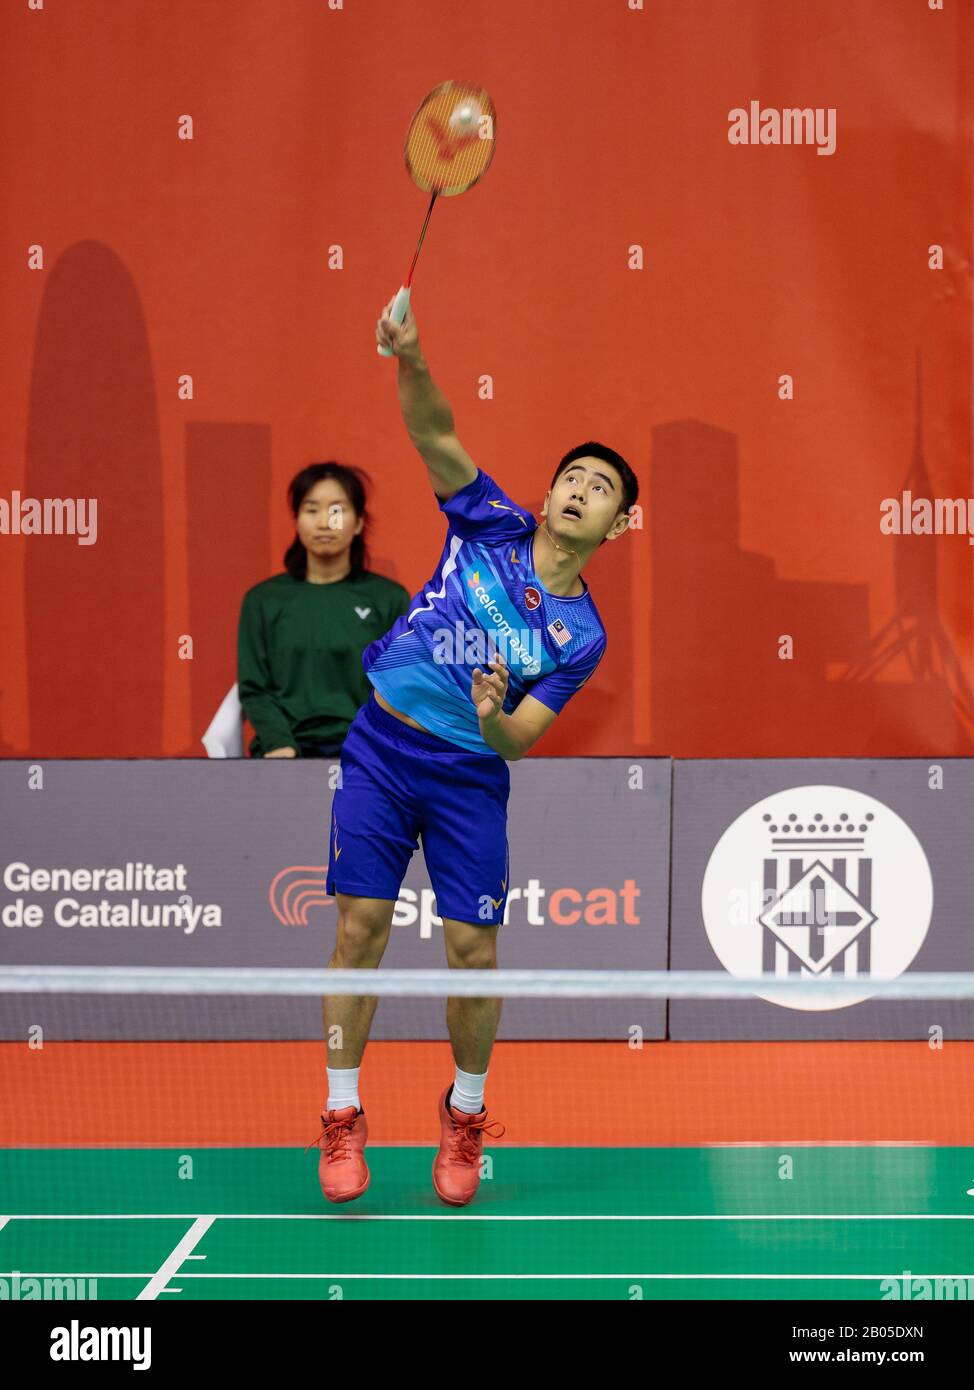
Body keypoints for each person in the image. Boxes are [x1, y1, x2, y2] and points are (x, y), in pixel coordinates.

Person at [310, 301, 639, 1207]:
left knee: (472, 949)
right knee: (358, 933)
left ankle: (465, 1113)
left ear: (615, 528)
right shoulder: (489, 523)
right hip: (381, 747)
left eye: (600, 488)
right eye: (571, 475)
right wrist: (410, 355)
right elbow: (434, 431)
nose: (578, 489)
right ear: (548, 492)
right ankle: (342, 1113)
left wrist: (493, 715)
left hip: (467, 776)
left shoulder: (580, 636)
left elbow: (521, 743)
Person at [237, 462, 409, 759]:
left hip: (367, 750)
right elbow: (254, 689)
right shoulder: (262, 600)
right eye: (311, 509)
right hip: (285, 750)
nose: (323, 522)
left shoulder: (389, 599)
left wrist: (373, 745)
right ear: (297, 520)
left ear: (357, 523)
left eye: (337, 510)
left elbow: (401, 685)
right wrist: (280, 744)